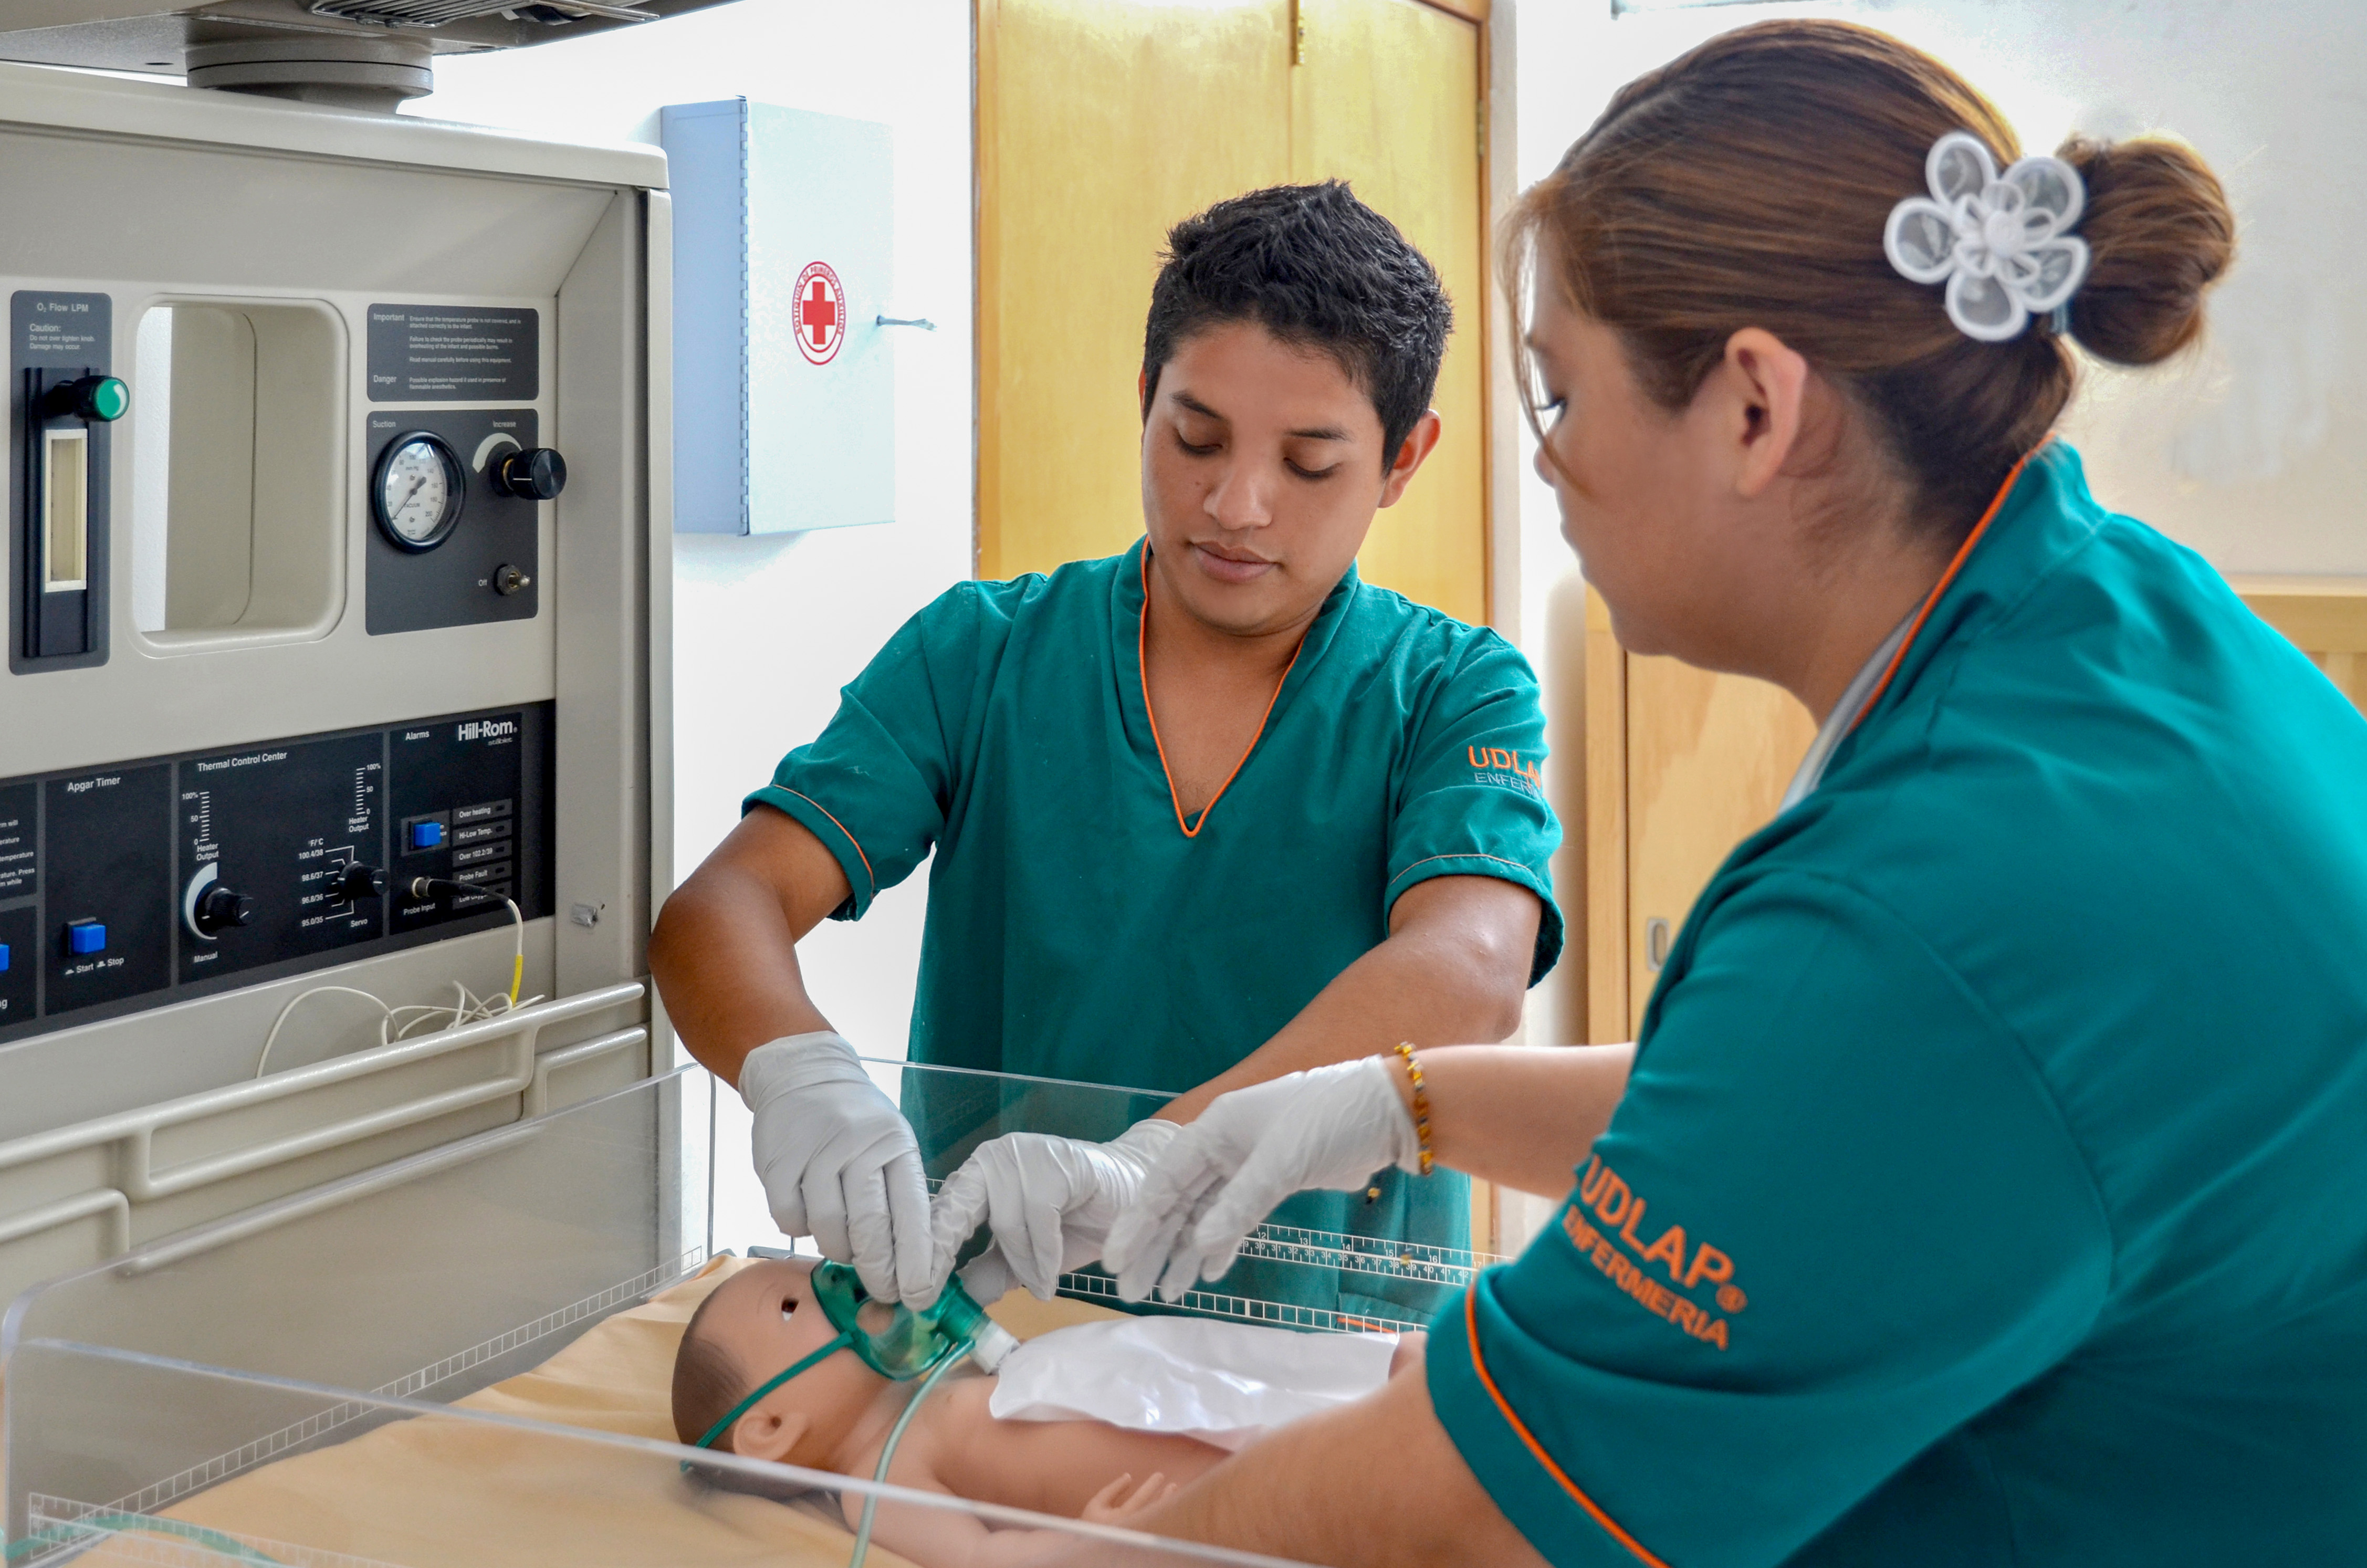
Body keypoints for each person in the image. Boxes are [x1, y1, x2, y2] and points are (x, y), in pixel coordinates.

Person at [1075, 19, 2367, 1567]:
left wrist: (1063, 1552)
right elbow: (1851, 1120)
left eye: (1558, 398)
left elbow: (1481, 1510)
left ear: (1753, 408)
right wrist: (1394, 1104)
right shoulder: (2110, 619)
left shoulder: (1927, 900)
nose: (1543, 466)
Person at [651, 182, 1561, 1317]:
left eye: (1309, 464)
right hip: (1007, 1323)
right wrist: (799, 1070)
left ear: (1402, 459)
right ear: (1144, 400)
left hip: (1321, 1356)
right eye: (1196, 438)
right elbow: (721, 906)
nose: (1236, 502)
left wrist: (1164, 1156)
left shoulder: (1451, 690)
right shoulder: (982, 656)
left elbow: (1468, 972)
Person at [669, 1256, 1420, 1567]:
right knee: (1352, 1490)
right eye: (796, 1300)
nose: (842, 1277)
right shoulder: (882, 1473)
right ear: (769, 1427)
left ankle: (1380, 1373)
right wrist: (1091, 1547)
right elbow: (984, 1559)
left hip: (1184, 1391)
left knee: (1247, 1370)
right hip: (1206, 1490)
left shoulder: (944, 1374)